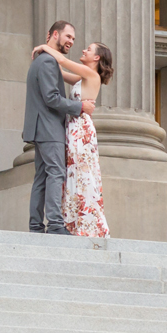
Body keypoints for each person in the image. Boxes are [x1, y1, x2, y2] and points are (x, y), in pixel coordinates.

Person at [31, 39, 114, 238]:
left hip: (81, 130)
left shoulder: (91, 74)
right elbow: (59, 72)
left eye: (89, 49)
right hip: (73, 127)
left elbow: (62, 61)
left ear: (96, 57)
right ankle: (73, 221)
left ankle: (86, 223)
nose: (84, 50)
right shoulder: (82, 77)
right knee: (73, 174)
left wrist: (44, 47)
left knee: (81, 174)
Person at [21, 21, 89, 235]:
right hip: (49, 127)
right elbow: (51, 98)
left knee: (42, 176)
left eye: (73, 39)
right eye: (68, 36)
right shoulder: (48, 62)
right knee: (55, 173)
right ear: (54, 34)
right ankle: (55, 225)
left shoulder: (43, 60)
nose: (71, 41)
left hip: (41, 127)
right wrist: (80, 107)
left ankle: (36, 226)